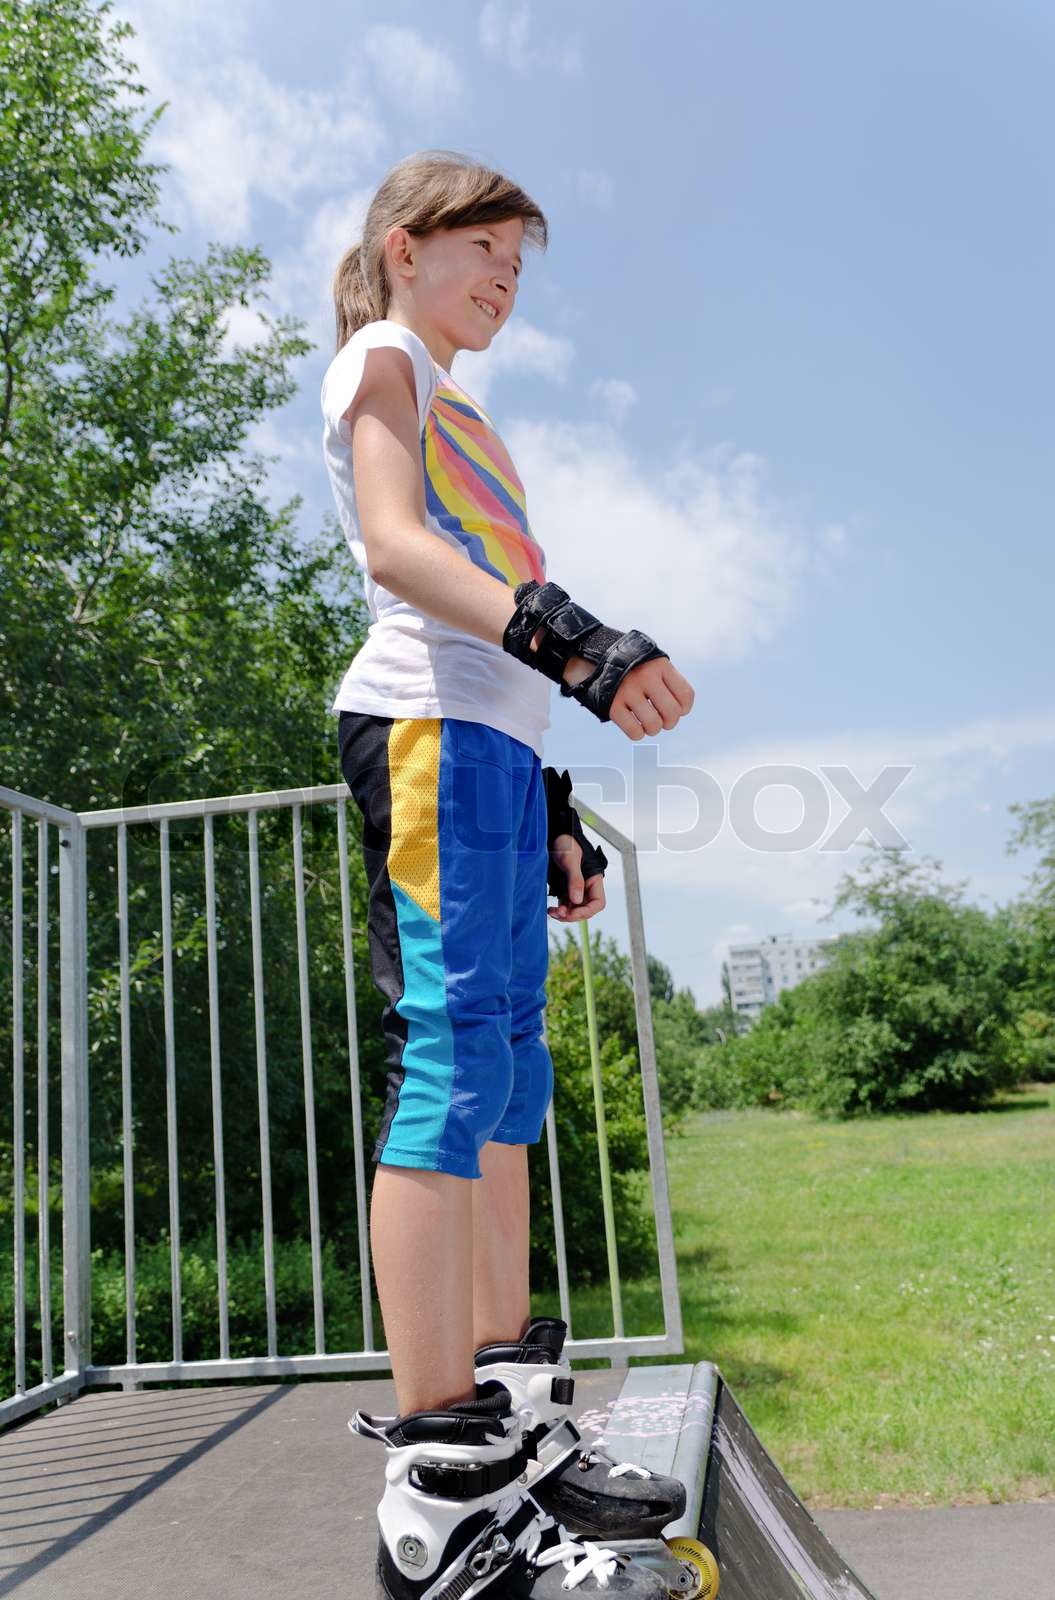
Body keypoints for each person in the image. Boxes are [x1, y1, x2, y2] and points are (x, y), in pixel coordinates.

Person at [322, 149, 696, 1598]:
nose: (505, 280)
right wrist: (582, 643)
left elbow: (484, 628)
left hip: (483, 746)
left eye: (521, 265)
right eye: (486, 249)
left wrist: (545, 794)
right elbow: (402, 551)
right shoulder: (384, 356)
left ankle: (516, 1415)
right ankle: (441, 1483)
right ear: (406, 249)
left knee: (512, 1067)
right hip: (417, 725)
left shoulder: (465, 402)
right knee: (450, 1058)